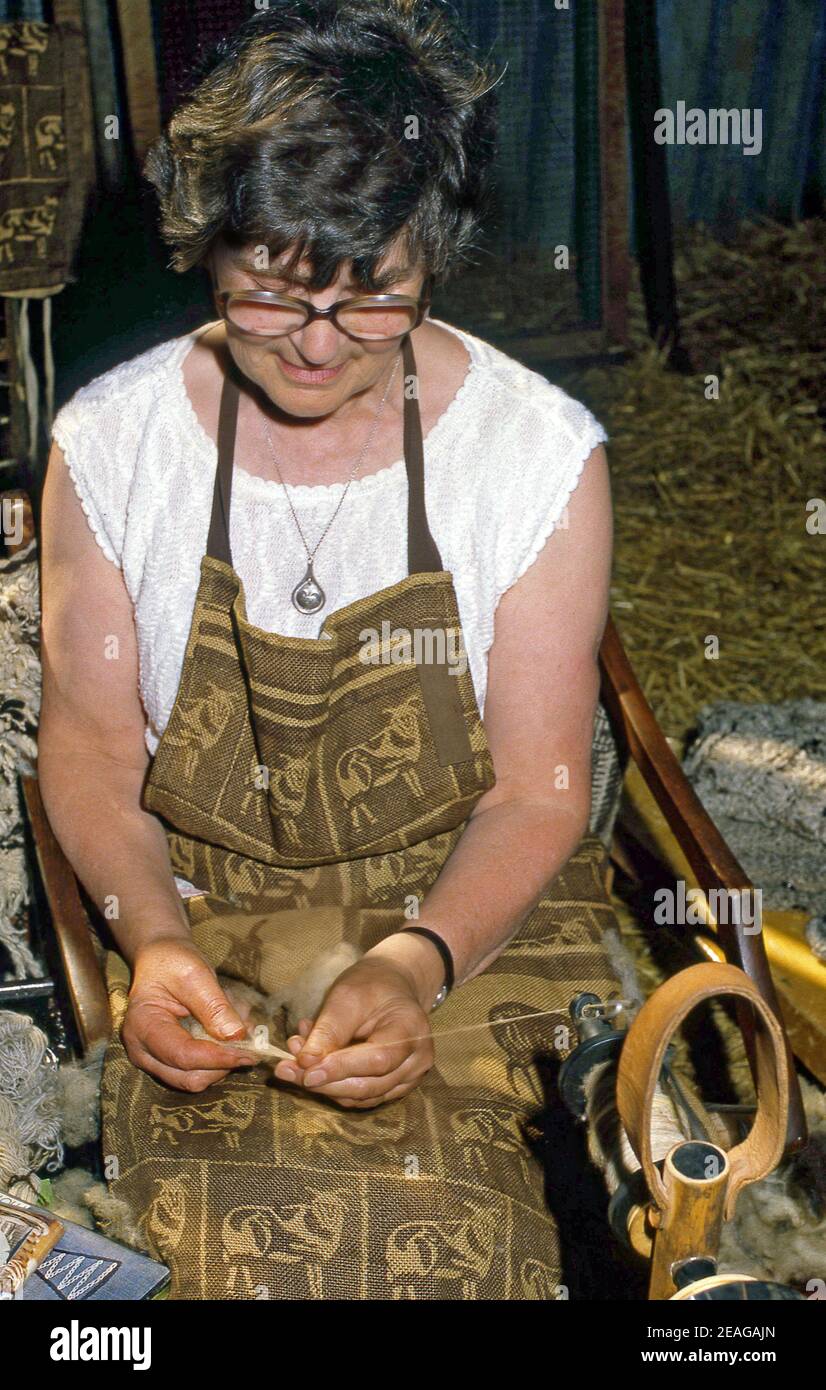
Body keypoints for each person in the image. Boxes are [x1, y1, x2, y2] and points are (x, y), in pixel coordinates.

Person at [39, 0, 620, 1299]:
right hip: (218, 919)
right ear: (209, 242)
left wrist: (412, 960)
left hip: (473, 916)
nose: (314, 344)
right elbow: (87, 750)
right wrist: (155, 941)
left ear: (435, 253)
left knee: (506, 1246)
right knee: (212, 1272)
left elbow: (535, 792)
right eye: (273, 291)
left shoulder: (533, 459)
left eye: (372, 301)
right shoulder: (114, 447)